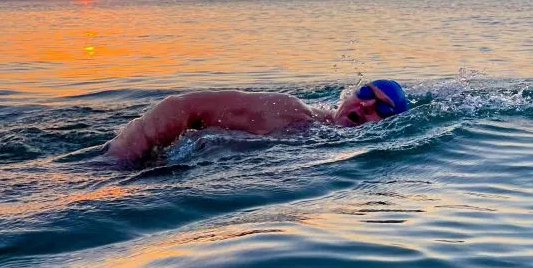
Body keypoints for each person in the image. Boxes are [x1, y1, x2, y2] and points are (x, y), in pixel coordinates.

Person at [102, 79, 409, 164]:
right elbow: (181, 106)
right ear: (349, 95)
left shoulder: (331, 153)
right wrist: (124, 159)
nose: (367, 104)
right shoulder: (287, 110)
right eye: (367, 93)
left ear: (390, 124)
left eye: (381, 108)